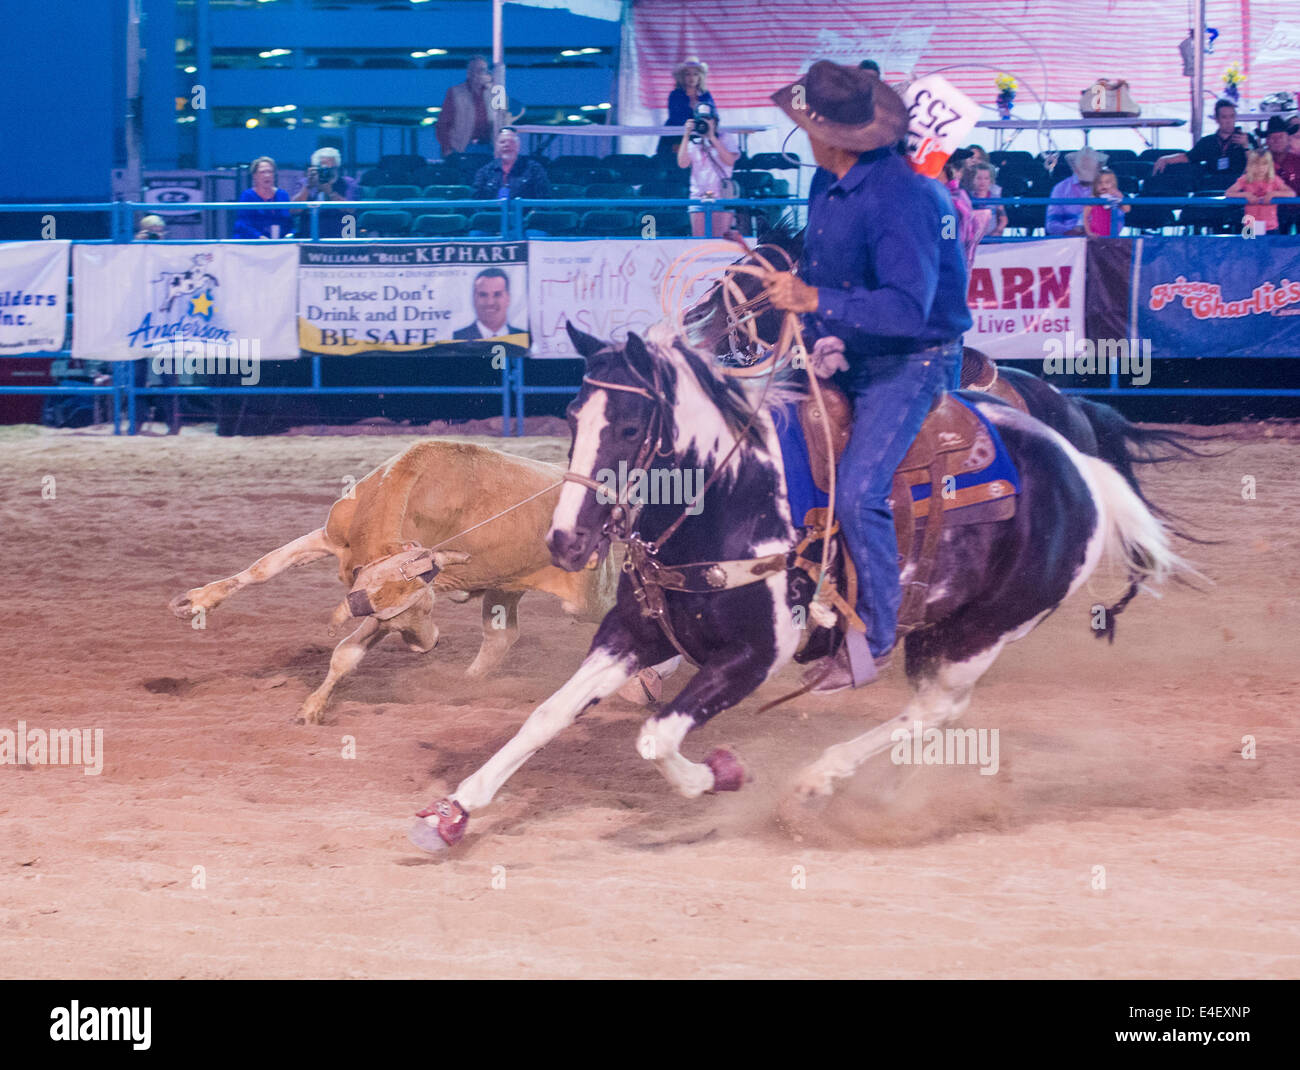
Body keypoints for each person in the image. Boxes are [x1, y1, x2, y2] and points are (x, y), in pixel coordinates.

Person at [764, 60, 972, 691]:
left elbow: (909, 309)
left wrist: (814, 303)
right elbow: (830, 271)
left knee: (858, 491)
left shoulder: (904, 197)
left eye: (805, 124)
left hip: (913, 360)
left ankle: (876, 635)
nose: (800, 133)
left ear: (831, 135)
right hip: (852, 348)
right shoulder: (827, 187)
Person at [676, 102, 739, 237]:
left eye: (708, 119)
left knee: (720, 242)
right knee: (700, 242)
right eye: (701, 120)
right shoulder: (693, 143)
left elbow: (729, 161)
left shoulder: (726, 139)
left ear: (715, 121)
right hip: (698, 198)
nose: (704, 123)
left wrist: (711, 137)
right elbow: (682, 163)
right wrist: (686, 135)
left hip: (722, 197)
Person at [1152, 99, 1251, 180]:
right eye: (1224, 117)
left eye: (1232, 116)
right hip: (1212, 184)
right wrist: (1165, 159)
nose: (1229, 121)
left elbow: (1258, 163)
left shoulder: (1246, 138)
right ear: (1217, 119)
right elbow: (1188, 157)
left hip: (1238, 185)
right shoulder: (1208, 141)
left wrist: (1246, 147)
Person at [436, 56, 500, 156]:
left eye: (481, 70)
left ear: (488, 72)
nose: (476, 74)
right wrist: (447, 148)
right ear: (468, 72)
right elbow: (443, 124)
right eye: (472, 70)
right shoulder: (455, 92)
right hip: (462, 148)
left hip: (490, 148)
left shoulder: (496, 92)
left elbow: (505, 116)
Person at [290, 147, 359, 239]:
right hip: (310, 237)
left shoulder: (348, 183)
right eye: (323, 169)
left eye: (332, 168)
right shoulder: (305, 183)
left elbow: (351, 209)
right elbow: (294, 210)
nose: (328, 172)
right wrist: (308, 187)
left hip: (341, 236)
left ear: (338, 168)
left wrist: (330, 192)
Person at [1225, 149, 1296, 234]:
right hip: (1250, 225)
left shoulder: (1274, 179)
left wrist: (1273, 194)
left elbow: (1292, 193)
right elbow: (1228, 193)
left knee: (1270, 247)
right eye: (1256, 164)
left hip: (1271, 226)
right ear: (1250, 165)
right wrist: (1246, 195)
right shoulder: (1245, 179)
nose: (1260, 167)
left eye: (1264, 164)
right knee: (1250, 247)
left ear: (1269, 165)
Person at [658, 57, 716, 158]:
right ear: (682, 77)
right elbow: (676, 118)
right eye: (687, 74)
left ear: (700, 77)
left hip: (702, 136)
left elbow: (714, 116)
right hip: (677, 137)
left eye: (695, 74)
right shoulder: (675, 95)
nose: (691, 78)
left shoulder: (706, 95)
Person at [471, 128, 550, 200]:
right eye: (502, 142)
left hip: (524, 215)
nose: (507, 145)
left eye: (511, 142)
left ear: (518, 146)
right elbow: (476, 203)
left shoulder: (534, 169)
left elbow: (544, 200)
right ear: (497, 147)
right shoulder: (484, 172)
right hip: (492, 215)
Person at [1045, 147, 1107, 236]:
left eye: (1090, 164)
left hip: (1100, 240)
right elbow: (1051, 223)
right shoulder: (1060, 188)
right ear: (1075, 167)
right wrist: (1068, 231)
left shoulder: (1108, 188)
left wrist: (1097, 231)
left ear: (1097, 167)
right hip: (1067, 241)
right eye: (1083, 164)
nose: (1087, 167)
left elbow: (1116, 221)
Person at [452, 268, 526, 340]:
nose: (490, 302)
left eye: (497, 294)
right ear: (474, 299)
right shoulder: (457, 338)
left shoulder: (523, 338)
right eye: (483, 295)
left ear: (508, 298)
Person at [233, 156, 293, 239]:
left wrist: (288, 236)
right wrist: (260, 237)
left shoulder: (283, 195)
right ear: (255, 176)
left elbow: (289, 223)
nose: (267, 175)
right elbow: (243, 225)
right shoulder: (247, 196)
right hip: (253, 242)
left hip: (279, 243)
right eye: (262, 172)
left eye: (270, 172)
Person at [1263, 115, 1300, 233]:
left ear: (1288, 139)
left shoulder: (1297, 161)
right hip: (1265, 215)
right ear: (1267, 141)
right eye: (1273, 138)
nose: (1277, 141)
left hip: (1296, 214)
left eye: (1280, 137)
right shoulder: (1258, 163)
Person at [961, 160, 1007, 237]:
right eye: (979, 178)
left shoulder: (995, 198)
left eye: (986, 178)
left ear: (991, 181)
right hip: (972, 240)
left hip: (991, 240)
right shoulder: (967, 197)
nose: (982, 182)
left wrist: (997, 231)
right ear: (973, 179)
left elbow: (1003, 219)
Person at [1083, 167, 1131, 237]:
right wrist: (1089, 233)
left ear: (1113, 184)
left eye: (1107, 182)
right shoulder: (1092, 199)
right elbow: (1085, 218)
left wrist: (1119, 196)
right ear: (1095, 185)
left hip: (1113, 235)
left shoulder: (1115, 198)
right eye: (1100, 183)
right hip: (1096, 235)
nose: (1103, 185)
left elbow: (1127, 209)